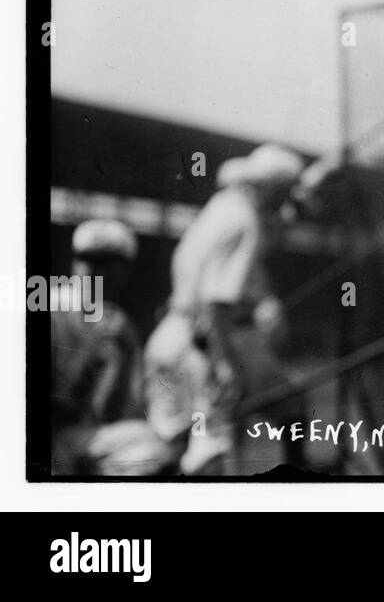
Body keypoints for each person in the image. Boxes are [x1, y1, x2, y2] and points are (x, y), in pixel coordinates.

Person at [143, 144, 306, 474]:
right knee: (212, 447)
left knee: (171, 446)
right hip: (207, 344)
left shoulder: (221, 206)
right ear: (270, 187)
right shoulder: (246, 220)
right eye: (284, 192)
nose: (285, 201)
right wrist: (225, 363)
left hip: (169, 339)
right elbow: (216, 302)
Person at [51, 219, 175, 475]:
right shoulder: (49, 310)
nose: (93, 270)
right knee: (154, 452)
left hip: (75, 435)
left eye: (103, 263)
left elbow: (123, 406)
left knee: (154, 447)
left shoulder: (117, 325)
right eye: (89, 260)